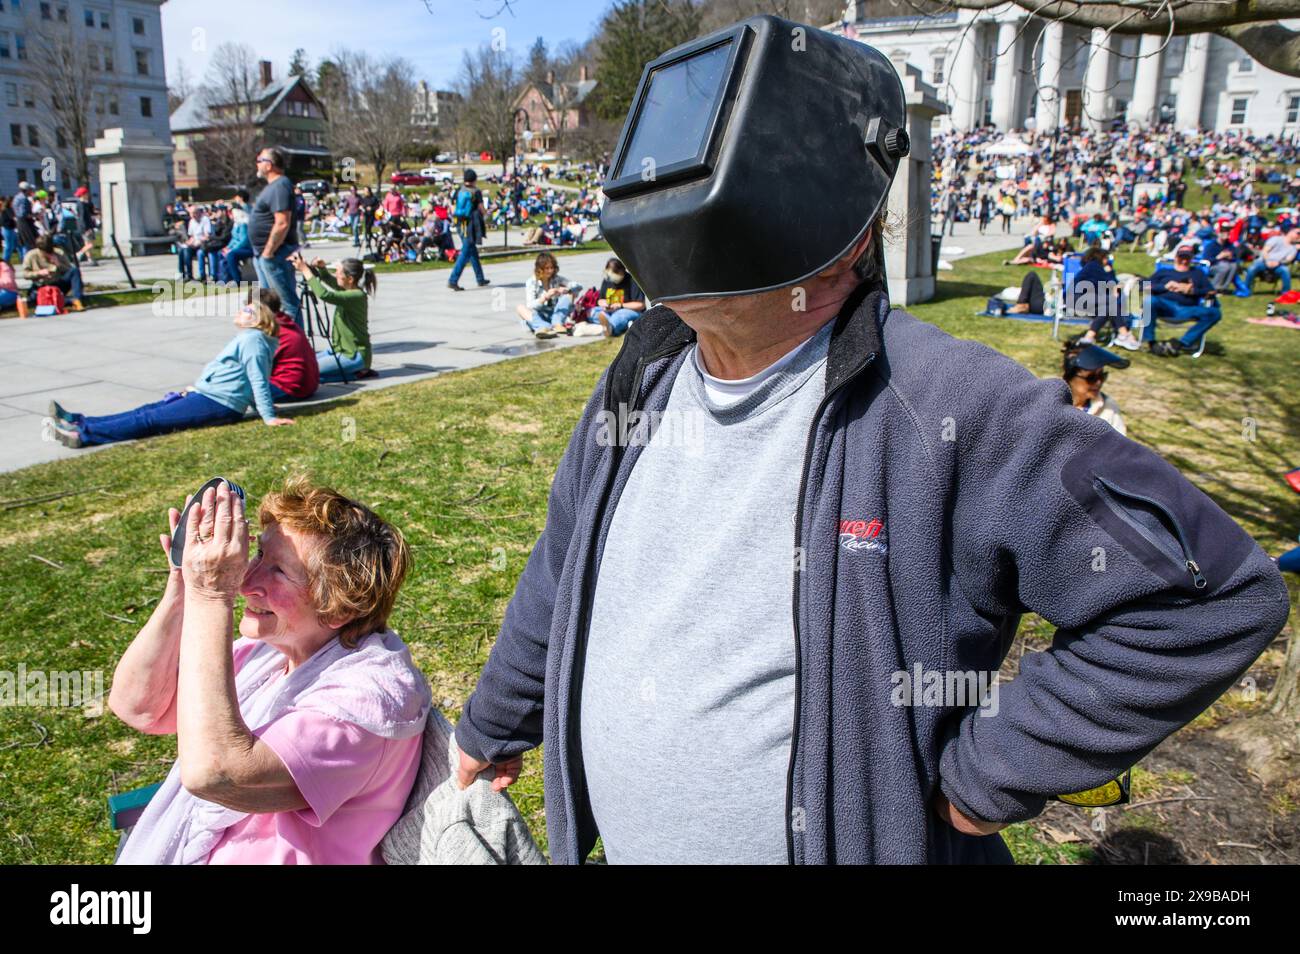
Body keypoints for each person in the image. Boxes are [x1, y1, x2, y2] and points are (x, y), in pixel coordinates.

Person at [451, 15, 1289, 865]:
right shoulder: (643, 371)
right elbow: (566, 566)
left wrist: (986, 778)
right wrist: (494, 720)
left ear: (846, 224)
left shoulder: (947, 404)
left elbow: (1206, 599)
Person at [110, 476, 430, 864]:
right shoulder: (268, 652)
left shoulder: (366, 703)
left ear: (341, 607)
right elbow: (139, 706)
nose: (245, 581)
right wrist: (182, 586)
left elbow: (215, 774)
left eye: (278, 571)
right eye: (257, 554)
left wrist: (211, 594)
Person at [48, 301, 294, 447]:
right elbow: (247, 382)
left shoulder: (254, 341)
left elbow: (257, 380)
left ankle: (83, 435)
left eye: (249, 311)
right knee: (145, 412)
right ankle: (80, 421)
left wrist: (268, 416)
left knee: (149, 420)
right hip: (209, 395)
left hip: (218, 402)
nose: (241, 311)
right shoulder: (250, 339)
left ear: (260, 320)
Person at [291, 253, 376, 382]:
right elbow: (333, 284)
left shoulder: (356, 296)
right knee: (304, 366)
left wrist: (306, 271)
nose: (335, 274)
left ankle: (356, 374)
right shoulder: (348, 290)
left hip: (353, 355)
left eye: (338, 272)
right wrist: (322, 269)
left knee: (306, 372)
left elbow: (325, 294)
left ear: (350, 279)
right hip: (341, 351)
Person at [250, 146, 301, 325]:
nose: (257, 164)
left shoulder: (280, 185)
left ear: (269, 165)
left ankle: (296, 347)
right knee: (266, 304)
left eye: (259, 160)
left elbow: (282, 222)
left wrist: (268, 252)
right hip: (265, 254)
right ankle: (276, 341)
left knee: (287, 303)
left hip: (276, 254)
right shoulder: (273, 187)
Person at [1144, 245, 1222, 356]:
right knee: (1149, 301)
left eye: (1187, 258)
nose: (1184, 261)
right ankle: (1151, 343)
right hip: (1165, 306)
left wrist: (1191, 291)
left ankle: (1179, 344)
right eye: (1181, 257)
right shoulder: (1164, 272)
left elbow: (1211, 292)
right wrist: (1165, 286)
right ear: (1176, 257)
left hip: (1188, 309)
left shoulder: (1197, 273)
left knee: (1215, 313)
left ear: (1191, 259)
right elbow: (1144, 286)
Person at [1072, 246, 1141, 351]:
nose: (1107, 261)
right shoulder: (1095, 266)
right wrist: (1110, 271)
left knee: (1108, 308)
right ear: (1100, 257)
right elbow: (1112, 283)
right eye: (1106, 258)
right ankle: (1124, 335)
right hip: (1081, 298)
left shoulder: (1089, 268)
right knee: (1112, 304)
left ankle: (1088, 337)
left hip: (1081, 299)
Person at [258, 286, 319, 401]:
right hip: (308, 385)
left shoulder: (272, 331)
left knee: (237, 387)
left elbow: (256, 367)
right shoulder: (286, 322)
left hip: (291, 388)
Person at [1061, 342, 1128, 435]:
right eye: (1091, 378)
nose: (1098, 382)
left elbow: (1120, 446)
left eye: (1102, 376)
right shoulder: (1048, 401)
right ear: (1070, 377)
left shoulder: (1108, 408)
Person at [515, 251, 577, 339]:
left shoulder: (556, 278)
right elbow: (530, 305)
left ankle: (556, 325)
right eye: (547, 268)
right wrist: (545, 297)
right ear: (540, 269)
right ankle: (544, 327)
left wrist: (567, 289)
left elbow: (577, 286)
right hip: (540, 314)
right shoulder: (531, 282)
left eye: (552, 267)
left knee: (569, 295)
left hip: (556, 314)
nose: (550, 271)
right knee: (520, 308)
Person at [448, 169, 490, 291]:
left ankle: (480, 278)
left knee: (472, 251)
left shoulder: (458, 190)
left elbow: (452, 206)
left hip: (459, 223)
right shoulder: (475, 192)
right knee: (466, 251)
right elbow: (481, 208)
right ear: (474, 179)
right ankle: (453, 280)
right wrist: (487, 214)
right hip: (470, 225)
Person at [586, 257, 646, 337]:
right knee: (591, 312)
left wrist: (620, 305)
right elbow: (600, 300)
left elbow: (641, 305)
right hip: (610, 311)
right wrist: (603, 303)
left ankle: (611, 328)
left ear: (621, 271)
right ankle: (613, 325)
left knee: (620, 314)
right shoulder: (607, 279)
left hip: (628, 311)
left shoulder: (632, 281)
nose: (611, 279)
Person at [22, 235, 85, 311]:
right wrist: (38, 273)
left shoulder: (59, 253)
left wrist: (58, 264)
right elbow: (25, 274)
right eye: (45, 252)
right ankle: (67, 301)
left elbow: (69, 270)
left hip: (59, 283)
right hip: (42, 285)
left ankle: (77, 300)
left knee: (75, 271)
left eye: (50, 251)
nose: (48, 254)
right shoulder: (31, 255)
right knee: (34, 298)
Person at [1244, 228, 1299, 294]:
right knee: (1252, 268)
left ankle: (1286, 293)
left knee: (1285, 270)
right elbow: (1265, 251)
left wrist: (1279, 263)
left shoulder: (1293, 248)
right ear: (1290, 232)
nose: (1299, 236)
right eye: (1298, 233)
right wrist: (1268, 261)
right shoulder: (1276, 239)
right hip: (1263, 262)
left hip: (1278, 265)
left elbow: (1288, 260)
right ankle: (1245, 290)